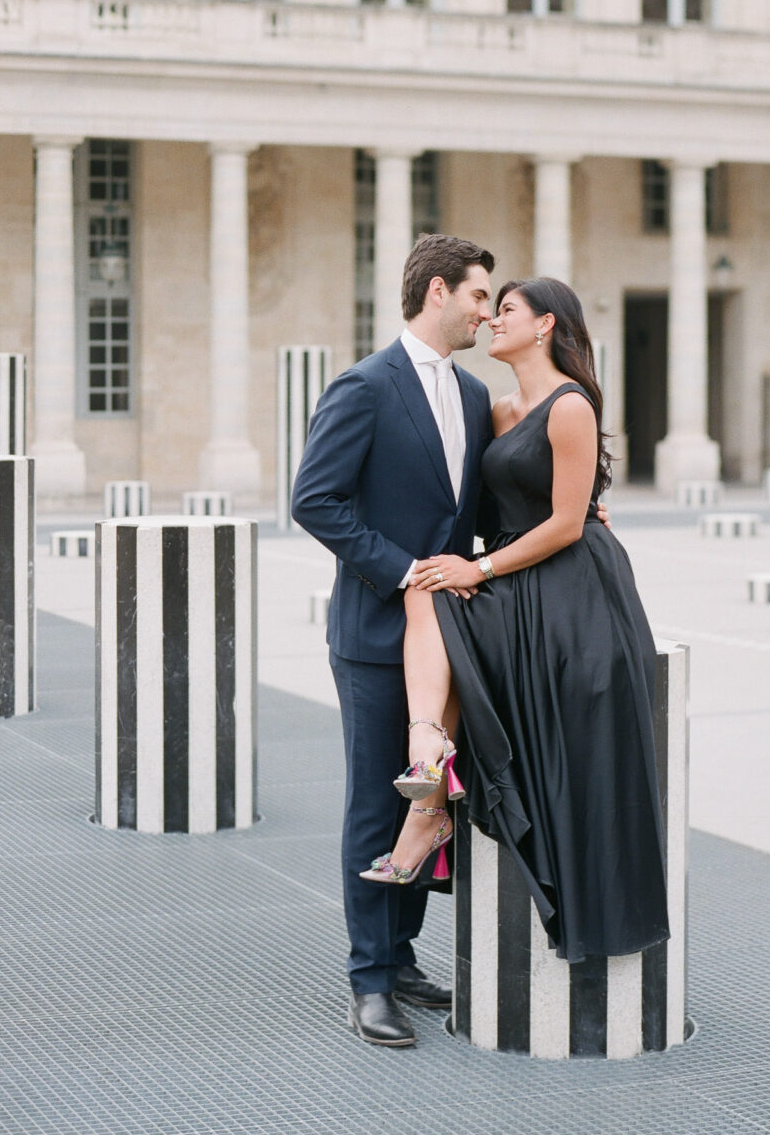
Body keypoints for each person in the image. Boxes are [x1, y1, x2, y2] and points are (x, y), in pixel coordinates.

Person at [372, 277, 670, 966]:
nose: (491, 320)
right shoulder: (501, 409)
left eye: (505, 311)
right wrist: (469, 561)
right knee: (424, 584)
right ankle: (429, 770)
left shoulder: (571, 406)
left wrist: (478, 570)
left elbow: (568, 523)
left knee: (436, 587)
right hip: (516, 573)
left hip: (570, 586)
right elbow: (491, 506)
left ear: (544, 326)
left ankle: (427, 798)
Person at [291, 234, 497, 1048]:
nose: (487, 310)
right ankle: (368, 979)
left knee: (433, 796)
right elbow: (316, 499)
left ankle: (402, 955)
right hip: (378, 635)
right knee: (378, 802)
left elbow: (471, 513)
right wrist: (404, 570)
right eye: (480, 295)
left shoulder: (476, 396)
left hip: (451, 642)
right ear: (439, 291)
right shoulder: (365, 386)